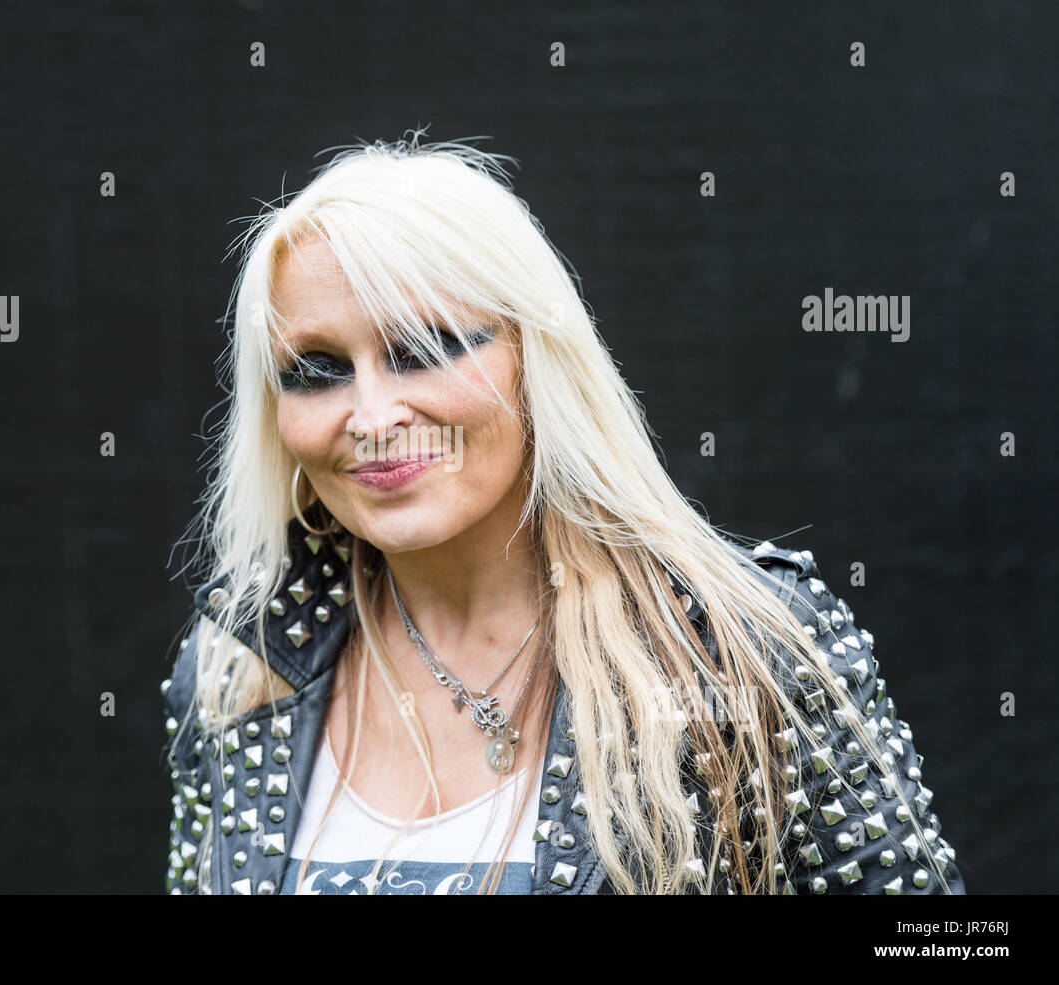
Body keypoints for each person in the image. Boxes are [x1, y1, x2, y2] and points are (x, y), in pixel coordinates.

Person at [160, 131, 967, 895]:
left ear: (533, 354)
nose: (371, 416)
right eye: (317, 370)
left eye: (424, 349)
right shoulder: (244, 665)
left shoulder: (743, 645)